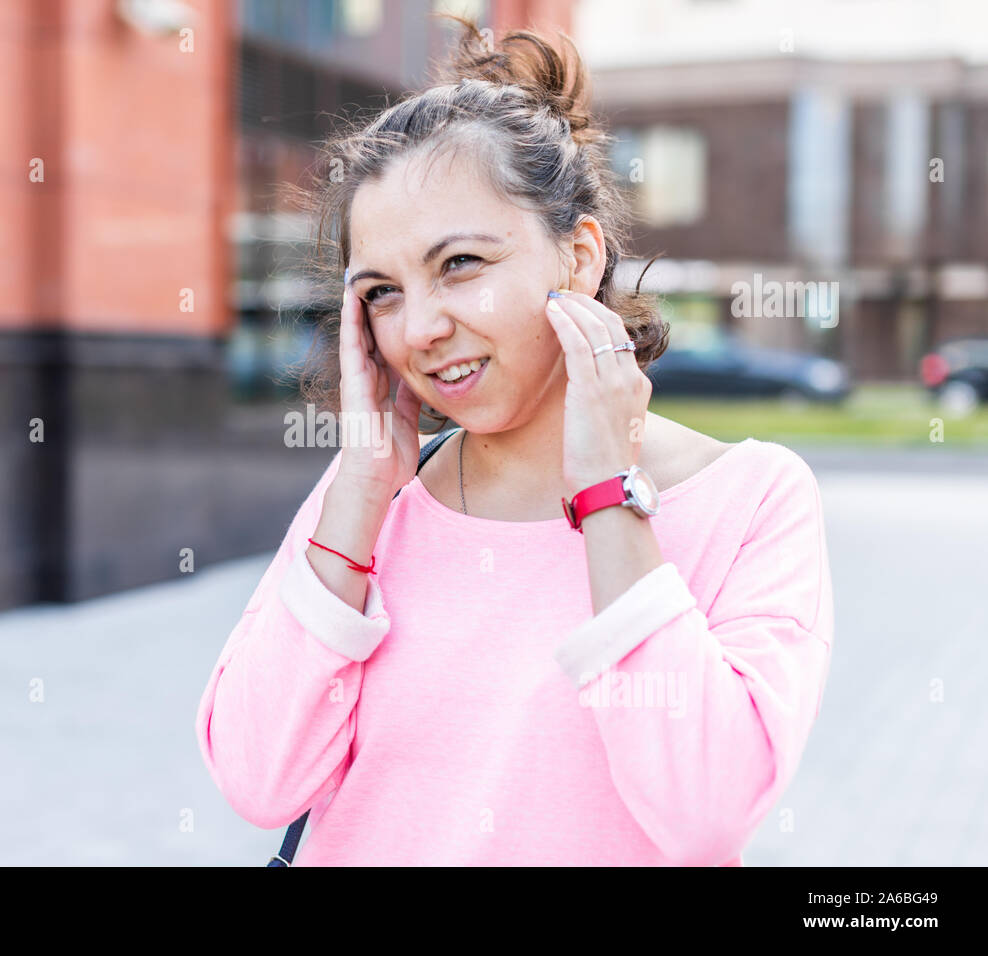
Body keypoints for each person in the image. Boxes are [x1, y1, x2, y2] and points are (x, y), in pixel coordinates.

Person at [195, 17, 833, 866]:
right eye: (382, 291)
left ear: (577, 257)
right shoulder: (370, 503)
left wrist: (607, 489)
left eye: (460, 264)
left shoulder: (749, 501)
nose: (420, 328)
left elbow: (705, 813)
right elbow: (257, 780)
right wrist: (359, 489)